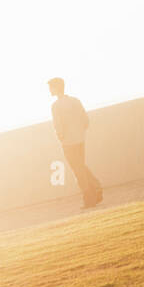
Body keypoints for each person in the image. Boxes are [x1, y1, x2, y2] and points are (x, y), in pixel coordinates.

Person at [47, 78, 103, 208]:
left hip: (68, 143)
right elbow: (85, 120)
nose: (49, 90)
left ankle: (89, 197)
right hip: (80, 139)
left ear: (56, 88)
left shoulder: (56, 106)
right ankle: (96, 188)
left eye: (51, 87)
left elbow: (58, 126)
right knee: (81, 167)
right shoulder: (75, 101)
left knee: (77, 170)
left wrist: (62, 138)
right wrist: (79, 133)